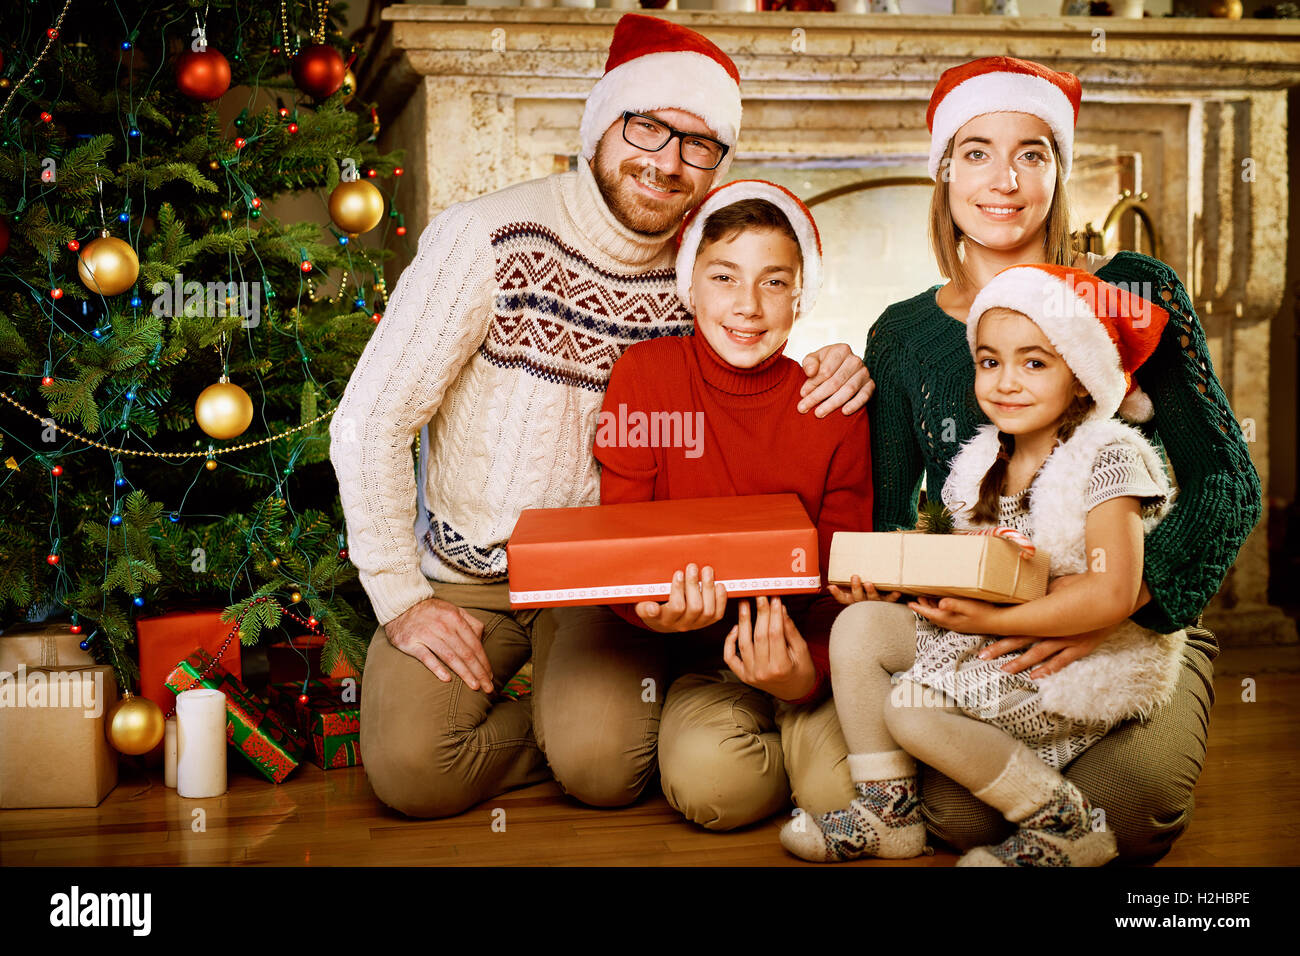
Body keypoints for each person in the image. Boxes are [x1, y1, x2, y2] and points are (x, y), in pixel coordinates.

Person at [329, 14, 871, 819]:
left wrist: (841, 360)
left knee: (604, 770)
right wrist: (402, 598)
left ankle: (583, 726)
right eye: (646, 128)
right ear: (600, 124)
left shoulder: (698, 274)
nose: (666, 162)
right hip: (472, 573)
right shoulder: (483, 239)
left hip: (604, 581)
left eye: (698, 145)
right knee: (414, 771)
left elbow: (753, 347)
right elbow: (369, 421)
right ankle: (550, 722)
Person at [845, 56, 1261, 861]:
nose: (1003, 179)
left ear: (1057, 171)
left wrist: (1116, 602)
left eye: (1030, 152)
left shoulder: (1138, 292)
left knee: (1129, 814)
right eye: (976, 151)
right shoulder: (901, 336)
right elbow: (892, 519)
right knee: (961, 819)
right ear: (942, 172)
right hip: (985, 636)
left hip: (1136, 627)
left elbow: (1226, 482)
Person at [783, 264, 1187, 865]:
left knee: (909, 710)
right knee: (860, 626)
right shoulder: (981, 462)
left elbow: (1112, 591)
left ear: (1082, 378)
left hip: (1074, 654)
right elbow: (967, 565)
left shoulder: (1107, 457)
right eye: (990, 362)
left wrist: (985, 622)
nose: (1005, 383)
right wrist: (896, 584)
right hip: (991, 631)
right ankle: (886, 813)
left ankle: (1065, 824)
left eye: (1035, 363)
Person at [587, 181, 870, 830]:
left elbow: (841, 583)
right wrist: (654, 615)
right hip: (707, 660)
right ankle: (770, 755)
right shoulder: (646, 376)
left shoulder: (830, 405)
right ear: (690, 286)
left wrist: (804, 678)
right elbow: (620, 546)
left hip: (811, 655)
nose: (747, 305)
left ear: (802, 297)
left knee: (844, 803)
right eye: (724, 278)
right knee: (718, 788)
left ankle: (808, 750)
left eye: (774, 282)